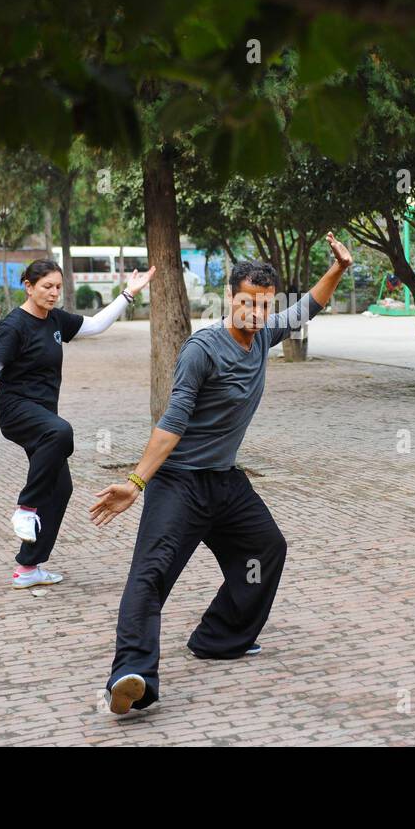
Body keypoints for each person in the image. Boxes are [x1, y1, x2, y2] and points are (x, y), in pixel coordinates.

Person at [92, 235, 353, 716]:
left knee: (265, 549)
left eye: (264, 304)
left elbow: (308, 308)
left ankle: (218, 637)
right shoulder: (203, 350)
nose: (254, 311)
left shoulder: (263, 336)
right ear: (230, 298)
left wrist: (338, 268)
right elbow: (172, 422)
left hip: (225, 483)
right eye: (246, 302)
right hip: (178, 483)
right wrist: (135, 482)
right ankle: (131, 675)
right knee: (150, 575)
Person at [0, 260, 155, 588]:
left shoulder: (55, 320)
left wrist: (128, 294)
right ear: (29, 286)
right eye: (47, 286)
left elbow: (95, 325)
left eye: (58, 287)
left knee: (61, 488)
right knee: (61, 432)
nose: (53, 293)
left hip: (44, 416)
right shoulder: (14, 325)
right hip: (17, 410)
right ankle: (26, 508)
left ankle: (28, 567)